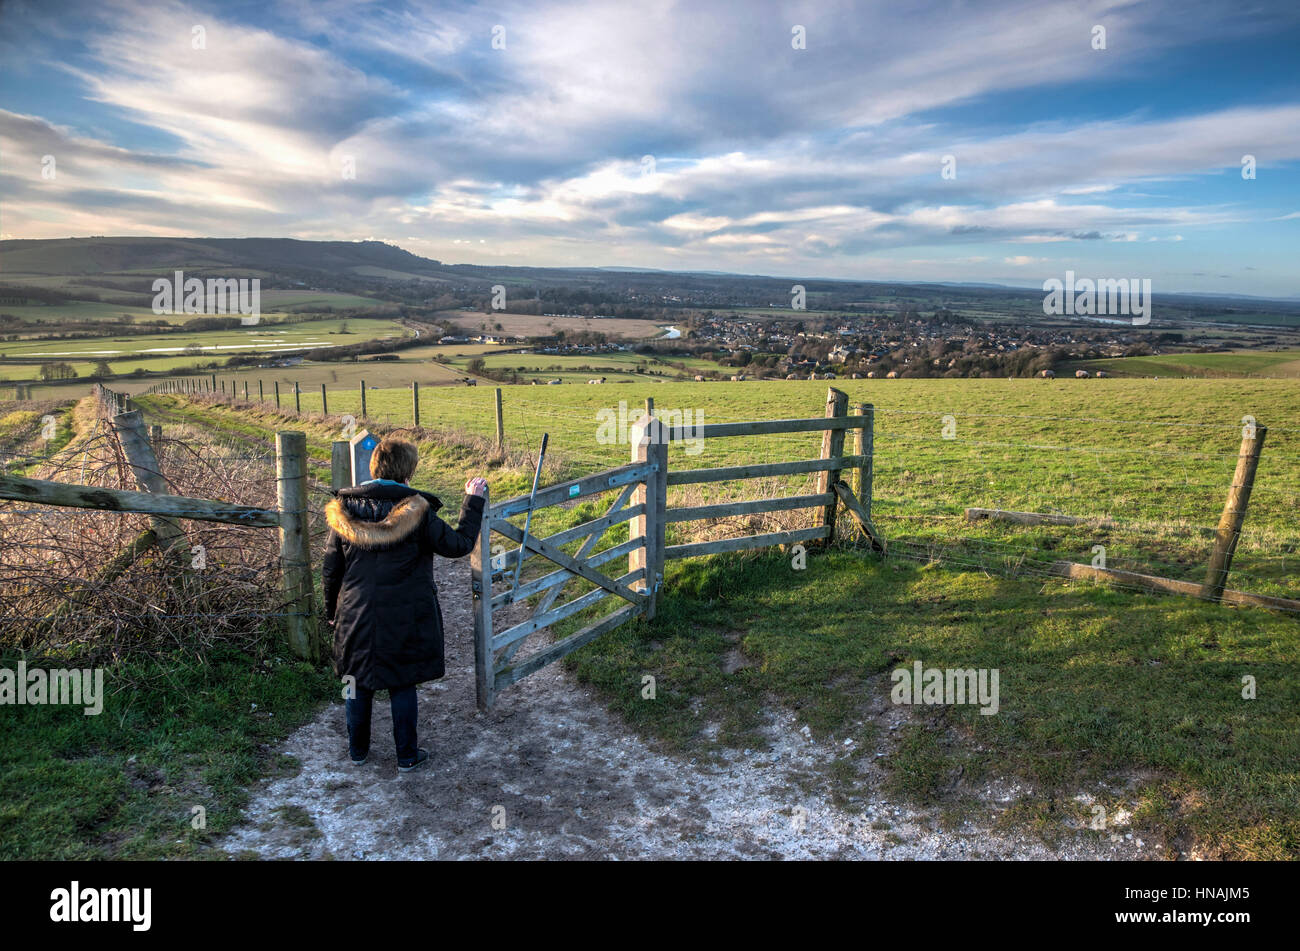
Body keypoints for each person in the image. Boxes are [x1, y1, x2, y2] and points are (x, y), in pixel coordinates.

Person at [322, 435, 488, 771]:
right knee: (401, 682)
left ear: (374, 468)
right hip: (406, 612)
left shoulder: (342, 513)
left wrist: (331, 612)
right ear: (407, 472)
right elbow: (458, 545)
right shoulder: (418, 512)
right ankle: (407, 757)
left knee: (356, 682)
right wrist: (472, 502)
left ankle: (357, 752)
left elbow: (330, 569)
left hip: (355, 612)